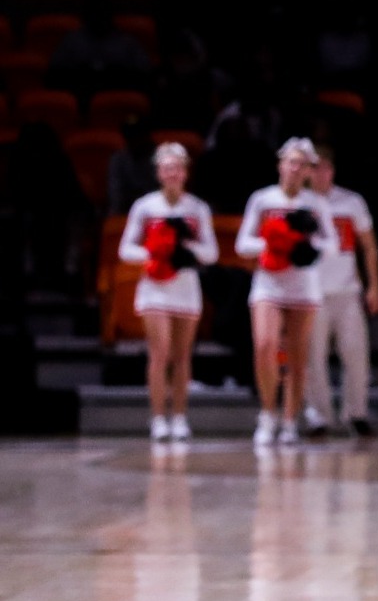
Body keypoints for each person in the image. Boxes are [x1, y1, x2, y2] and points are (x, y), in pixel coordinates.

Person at [235, 137, 337, 446]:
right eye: (290, 162)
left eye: (302, 164)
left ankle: (291, 419)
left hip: (303, 288)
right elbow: (242, 245)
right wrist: (275, 242)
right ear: (280, 165)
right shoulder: (262, 200)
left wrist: (307, 247)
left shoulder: (316, 204)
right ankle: (268, 414)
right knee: (265, 346)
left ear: (308, 170)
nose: (295, 168)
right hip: (268, 284)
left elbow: (332, 245)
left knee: (297, 356)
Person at [117, 142, 219, 440]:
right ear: (158, 172)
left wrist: (187, 248)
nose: (172, 173)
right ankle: (158, 418)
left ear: (185, 172)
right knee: (159, 352)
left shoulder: (197, 208)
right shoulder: (145, 207)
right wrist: (155, 251)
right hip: (154, 288)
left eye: (177, 168)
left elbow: (211, 253)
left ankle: (180, 417)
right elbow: (126, 249)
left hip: (185, 287)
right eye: (166, 168)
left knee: (182, 355)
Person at [302, 145, 378, 438]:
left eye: (324, 167)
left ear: (332, 170)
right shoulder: (300, 202)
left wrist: (374, 286)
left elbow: (369, 247)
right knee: (313, 358)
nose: (319, 173)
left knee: (356, 354)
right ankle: (318, 416)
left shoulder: (351, 201)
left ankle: (356, 412)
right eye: (313, 167)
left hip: (348, 290)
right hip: (311, 293)